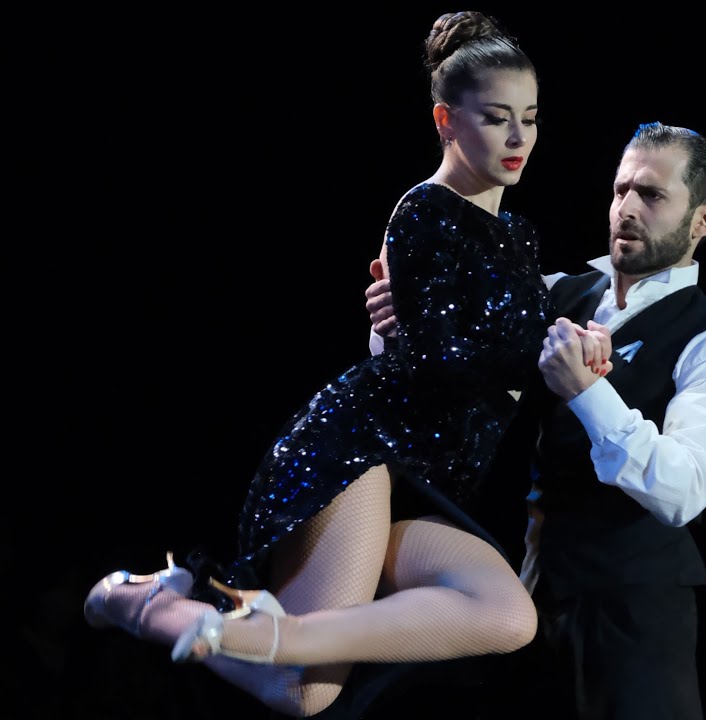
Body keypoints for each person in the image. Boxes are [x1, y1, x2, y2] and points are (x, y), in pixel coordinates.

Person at [81, 11, 612, 718]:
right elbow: (440, 359)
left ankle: (242, 618)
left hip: (426, 482)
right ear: (446, 120)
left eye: (531, 119)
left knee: (509, 616)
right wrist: (553, 349)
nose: (519, 139)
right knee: (306, 693)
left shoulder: (517, 233)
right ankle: (144, 601)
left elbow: (482, 349)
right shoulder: (425, 211)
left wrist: (566, 347)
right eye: (496, 117)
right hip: (359, 454)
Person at [365, 121, 706, 719]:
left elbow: (684, 490)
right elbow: (443, 378)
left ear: (705, 220)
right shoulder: (557, 296)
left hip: (634, 616)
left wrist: (587, 394)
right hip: (532, 595)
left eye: (651, 195)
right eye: (621, 190)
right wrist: (400, 324)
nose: (626, 208)